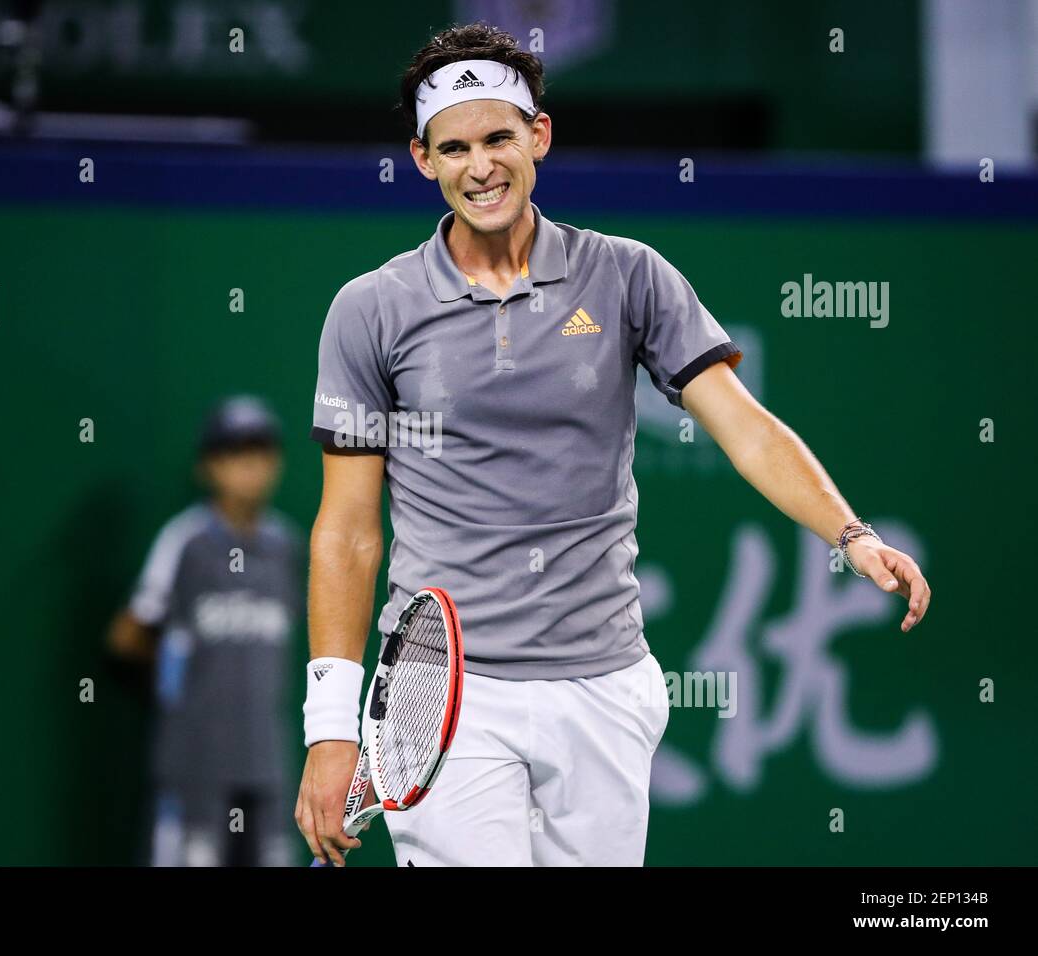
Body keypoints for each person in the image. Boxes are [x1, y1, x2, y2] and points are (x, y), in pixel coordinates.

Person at [295, 23, 931, 867]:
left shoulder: (629, 276)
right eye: (453, 148)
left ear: (539, 136)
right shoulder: (370, 309)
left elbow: (745, 429)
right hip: (444, 692)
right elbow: (347, 528)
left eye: (498, 138)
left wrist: (852, 536)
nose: (479, 166)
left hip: (604, 683)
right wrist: (330, 729)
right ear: (422, 160)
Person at [108, 396, 301, 866]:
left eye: (260, 450)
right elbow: (126, 637)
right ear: (209, 466)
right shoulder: (186, 542)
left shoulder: (288, 548)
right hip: (195, 769)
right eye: (233, 452)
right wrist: (180, 675)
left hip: (266, 767)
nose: (249, 465)